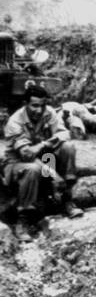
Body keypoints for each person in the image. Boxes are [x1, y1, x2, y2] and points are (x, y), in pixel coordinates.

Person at [2, 85, 81, 240]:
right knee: (32, 169)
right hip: (16, 164)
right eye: (34, 106)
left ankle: (66, 200)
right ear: (25, 104)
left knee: (68, 148)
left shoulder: (48, 113)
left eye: (42, 105)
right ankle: (22, 220)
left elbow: (64, 133)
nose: (39, 110)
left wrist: (43, 145)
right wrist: (53, 175)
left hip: (45, 160)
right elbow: (26, 155)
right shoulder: (14, 122)